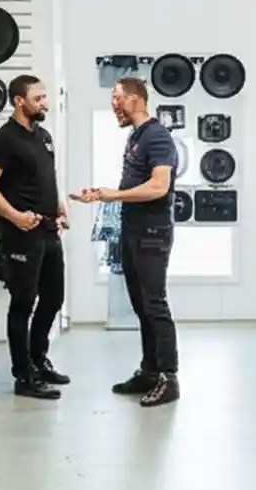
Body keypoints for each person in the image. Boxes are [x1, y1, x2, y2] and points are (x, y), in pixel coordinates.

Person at [71, 77, 180, 407]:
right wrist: (103, 195)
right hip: (133, 230)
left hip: (152, 233)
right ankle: (150, 371)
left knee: (155, 305)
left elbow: (159, 186)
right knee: (141, 306)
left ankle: (169, 378)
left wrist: (113, 194)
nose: (113, 104)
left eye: (117, 98)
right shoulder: (137, 136)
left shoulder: (158, 136)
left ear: (136, 99)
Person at [0, 74, 70, 400]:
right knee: (23, 304)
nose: (44, 103)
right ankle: (23, 375)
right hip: (21, 234)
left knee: (54, 298)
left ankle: (38, 359)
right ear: (19, 100)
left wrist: (59, 205)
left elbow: (47, 177)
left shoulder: (43, 136)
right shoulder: (4, 139)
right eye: (38, 98)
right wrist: (14, 216)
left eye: (45, 97)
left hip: (48, 229)